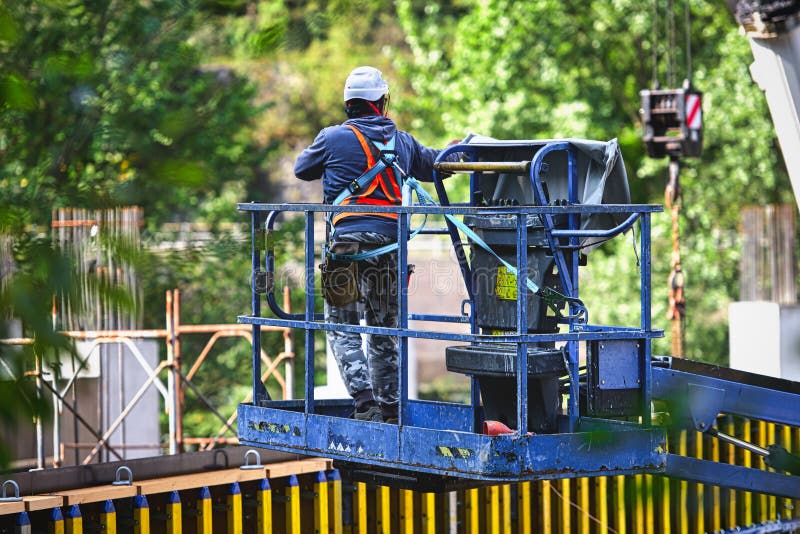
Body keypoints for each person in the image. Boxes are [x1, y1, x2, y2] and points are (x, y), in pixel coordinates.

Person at [294, 66, 459, 423]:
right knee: (384, 330)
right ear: (382, 103)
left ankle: (365, 402)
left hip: (346, 247)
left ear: (348, 104)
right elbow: (438, 165)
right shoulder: (403, 143)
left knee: (343, 324)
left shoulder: (332, 137)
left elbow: (301, 169)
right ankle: (390, 408)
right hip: (388, 247)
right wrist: (460, 151)